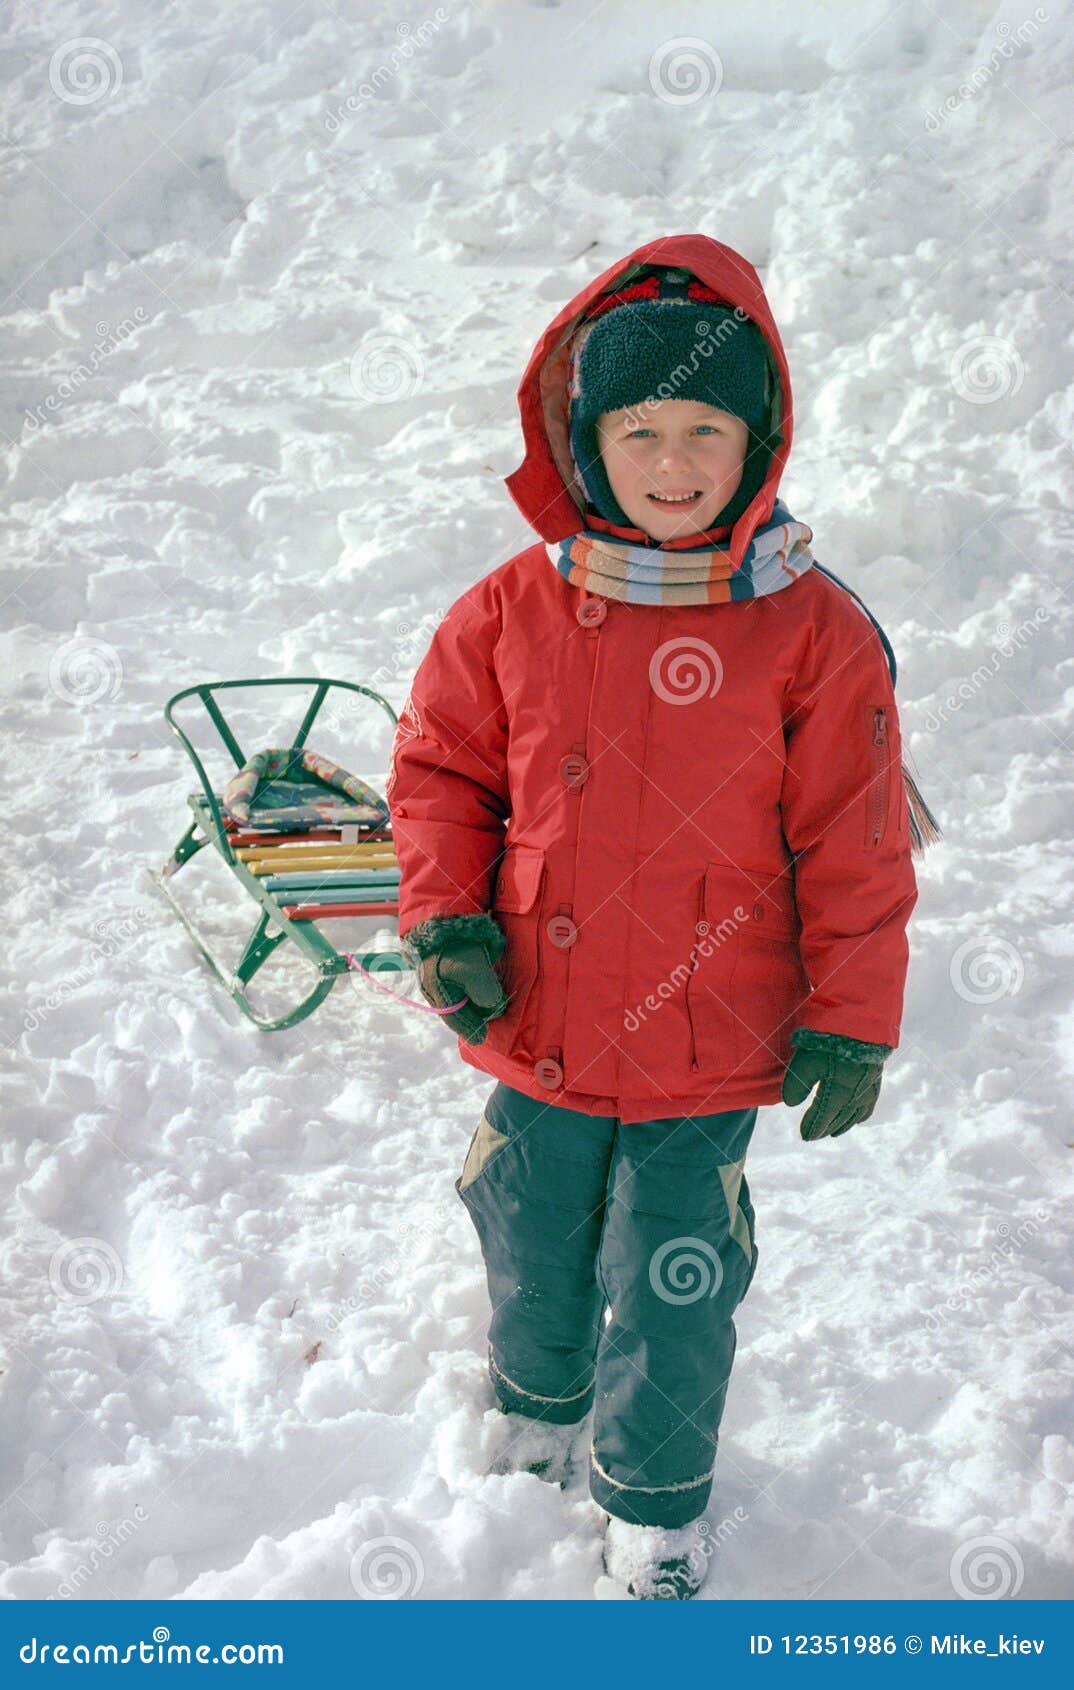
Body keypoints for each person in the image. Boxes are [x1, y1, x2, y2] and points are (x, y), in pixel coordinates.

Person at [384, 233, 937, 1599]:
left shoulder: (811, 629)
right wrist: (449, 912)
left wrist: (851, 1021)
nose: (674, 462)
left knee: (676, 1273)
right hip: (539, 1013)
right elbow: (440, 770)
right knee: (528, 1217)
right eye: (640, 430)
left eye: (706, 428)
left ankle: (654, 1501)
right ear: (586, 441)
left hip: (706, 1032)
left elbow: (853, 841)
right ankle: (533, 1400)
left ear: (758, 443)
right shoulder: (511, 607)